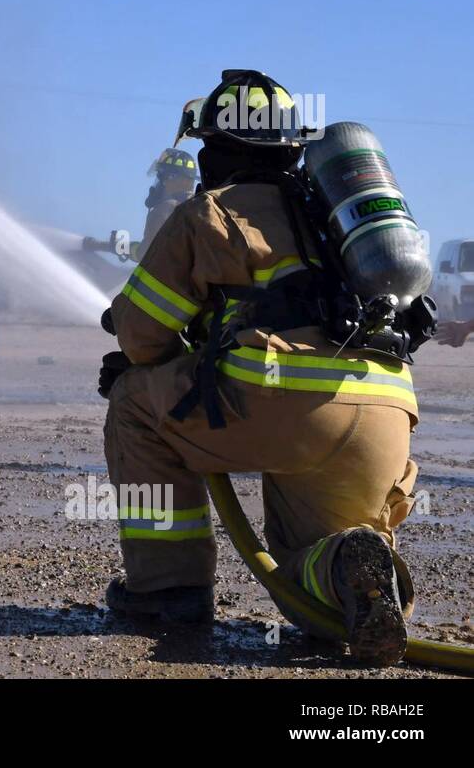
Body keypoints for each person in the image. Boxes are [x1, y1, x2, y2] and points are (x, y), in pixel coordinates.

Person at [99, 71, 421, 667]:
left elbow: (141, 337)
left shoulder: (210, 212)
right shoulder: (337, 222)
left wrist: (138, 354)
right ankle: (352, 569)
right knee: (308, 591)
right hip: (384, 409)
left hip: (280, 399)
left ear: (216, 149)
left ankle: (169, 591)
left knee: (133, 400)